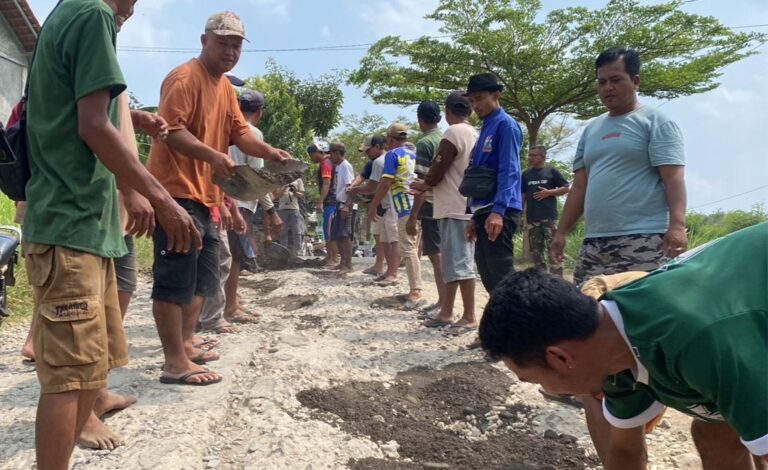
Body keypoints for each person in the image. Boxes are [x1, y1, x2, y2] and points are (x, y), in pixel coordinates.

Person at [24, 0, 201, 467]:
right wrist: (161, 198)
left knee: (88, 371)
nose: (136, 6)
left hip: (87, 228)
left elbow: (76, 111)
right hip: (70, 227)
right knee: (68, 378)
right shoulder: (93, 13)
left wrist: (132, 118)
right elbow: (93, 124)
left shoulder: (72, 13)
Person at [479, 222, 768, 470]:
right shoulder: (612, 351)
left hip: (744, 322)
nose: (548, 391)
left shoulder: (694, 341)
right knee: (714, 431)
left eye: (533, 380)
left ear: (560, 357)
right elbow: (626, 453)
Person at [147, 11, 290, 387]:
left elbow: (240, 133)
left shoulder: (225, 88)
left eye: (236, 45)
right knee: (175, 276)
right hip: (175, 192)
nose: (230, 51)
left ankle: (187, 342)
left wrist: (271, 152)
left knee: (204, 275)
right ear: (204, 41)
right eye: (223, 43)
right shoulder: (184, 78)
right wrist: (212, 155)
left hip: (207, 195)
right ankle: (173, 361)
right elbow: (169, 131)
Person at [550, 47, 688, 286]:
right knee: (588, 302)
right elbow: (580, 186)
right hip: (594, 241)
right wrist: (561, 232)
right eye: (602, 82)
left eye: (616, 80)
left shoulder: (656, 122)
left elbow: (673, 178)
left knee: (638, 304)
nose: (608, 88)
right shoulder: (591, 130)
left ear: (635, 81)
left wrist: (677, 225)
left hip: (643, 238)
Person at [411, 91, 479, 335]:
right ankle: (447, 311)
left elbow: (439, 166)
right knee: (453, 262)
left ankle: (469, 316)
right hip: (465, 205)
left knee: (461, 263)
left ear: (448, 112)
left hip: (454, 206)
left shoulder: (453, 133)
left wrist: (425, 183)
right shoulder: (475, 133)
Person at [463, 72, 523, 294]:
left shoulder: (505, 125)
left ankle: (519, 315)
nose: (475, 105)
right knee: (487, 272)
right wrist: (474, 214)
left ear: (496, 95)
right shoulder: (486, 127)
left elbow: (510, 169)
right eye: (472, 101)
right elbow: (479, 173)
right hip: (484, 209)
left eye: (479, 98)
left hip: (500, 209)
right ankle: (502, 314)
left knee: (501, 274)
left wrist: (498, 210)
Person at [369, 124, 424, 308]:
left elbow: (385, 183)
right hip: (418, 204)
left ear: (389, 139)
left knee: (408, 249)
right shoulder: (413, 154)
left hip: (404, 205)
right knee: (412, 248)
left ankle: (416, 291)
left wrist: (373, 205)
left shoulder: (393, 155)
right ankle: (415, 287)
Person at [408, 100, 445, 316]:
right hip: (451, 203)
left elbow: (421, 184)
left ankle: (444, 303)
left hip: (431, 204)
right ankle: (444, 301)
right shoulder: (446, 138)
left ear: (420, 120)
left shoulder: (425, 143)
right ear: (439, 118)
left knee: (436, 255)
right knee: (445, 254)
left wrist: (413, 216)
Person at [350, 135, 399, 281]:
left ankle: (392, 272)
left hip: (388, 205)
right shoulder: (390, 158)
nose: (367, 153)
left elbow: (373, 187)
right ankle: (388, 271)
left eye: (368, 150)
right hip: (393, 204)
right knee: (385, 239)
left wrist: (356, 190)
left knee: (391, 240)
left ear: (377, 147)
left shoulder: (379, 162)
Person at [521, 145, 570, 276]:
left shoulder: (551, 171)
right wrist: (520, 214)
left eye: (533, 155)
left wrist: (549, 192)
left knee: (553, 250)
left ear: (543, 156)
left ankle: (557, 280)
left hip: (549, 217)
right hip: (532, 218)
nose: (530, 158)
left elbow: (566, 188)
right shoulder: (526, 174)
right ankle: (542, 280)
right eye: (529, 155)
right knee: (536, 252)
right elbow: (523, 194)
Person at [327, 143, 356, 274]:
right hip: (339, 204)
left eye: (331, 153)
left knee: (345, 235)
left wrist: (347, 205)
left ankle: (348, 264)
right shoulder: (338, 167)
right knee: (336, 235)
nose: (330, 156)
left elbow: (351, 187)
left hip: (346, 205)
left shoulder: (346, 166)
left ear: (337, 153)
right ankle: (342, 262)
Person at [310, 142, 339, 267]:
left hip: (331, 201)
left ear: (318, 152)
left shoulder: (326, 163)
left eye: (312, 155)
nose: (311, 158)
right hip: (329, 201)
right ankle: (329, 256)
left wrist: (320, 201)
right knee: (327, 229)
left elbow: (326, 183)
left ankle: (334, 257)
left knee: (330, 230)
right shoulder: (327, 162)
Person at [275, 177, 306, 256]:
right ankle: (283, 252)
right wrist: (285, 188)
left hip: (294, 209)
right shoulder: (280, 178)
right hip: (282, 209)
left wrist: (294, 192)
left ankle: (298, 252)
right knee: (283, 231)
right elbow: (276, 196)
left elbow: (301, 195)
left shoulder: (298, 180)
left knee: (297, 230)